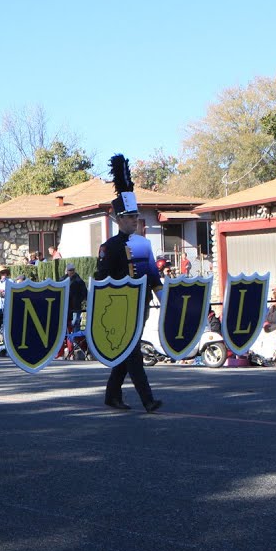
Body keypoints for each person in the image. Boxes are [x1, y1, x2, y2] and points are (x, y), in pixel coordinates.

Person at [95, 154, 164, 412]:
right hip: (120, 309)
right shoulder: (109, 247)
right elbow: (102, 280)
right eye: (129, 217)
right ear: (118, 219)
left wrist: (165, 301)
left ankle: (112, 395)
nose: (134, 220)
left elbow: (153, 278)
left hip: (142, 306)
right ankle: (147, 399)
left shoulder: (144, 244)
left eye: (136, 216)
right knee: (132, 351)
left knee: (126, 350)